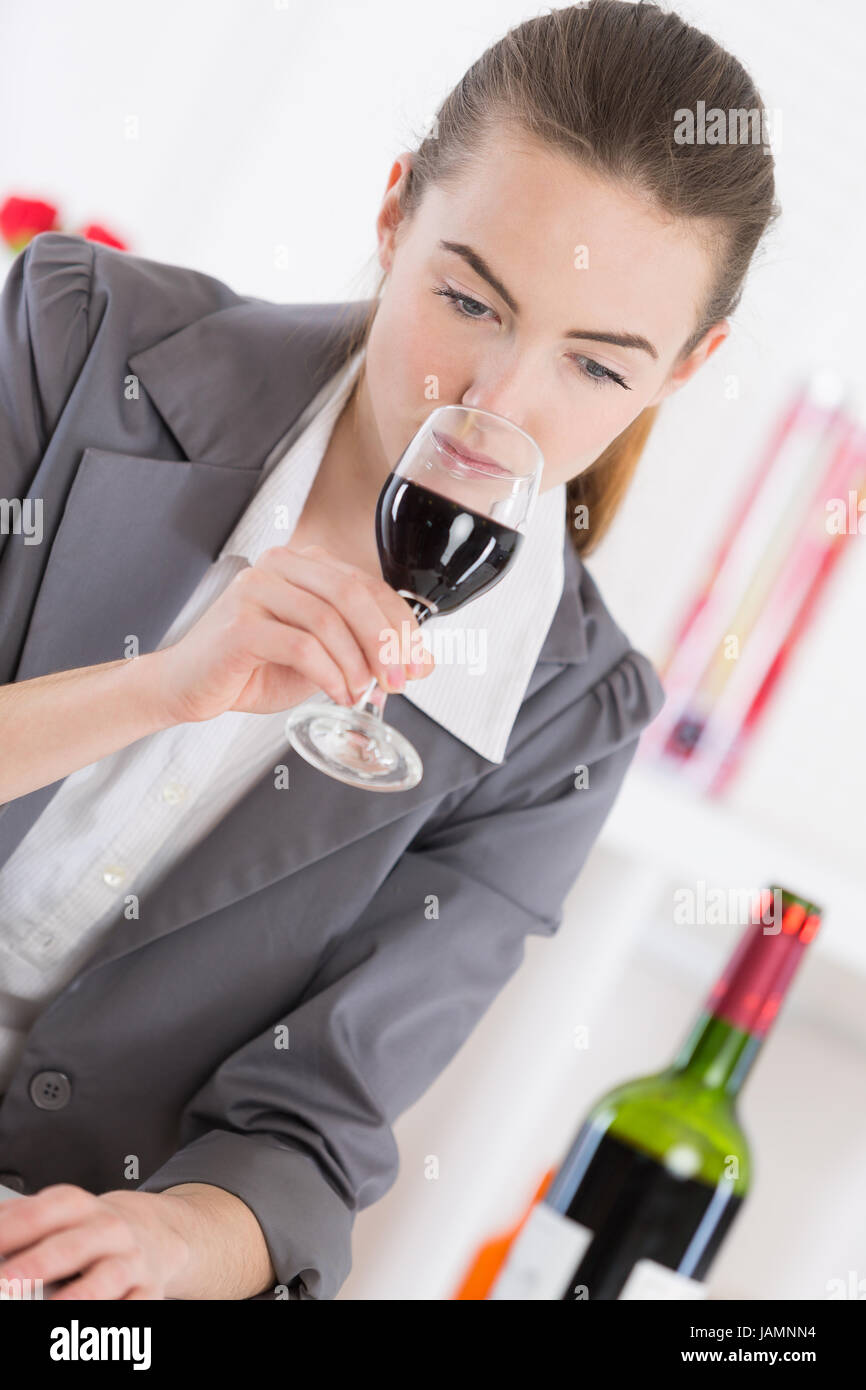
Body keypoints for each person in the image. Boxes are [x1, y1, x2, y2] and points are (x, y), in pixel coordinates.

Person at [0, 0, 778, 1299]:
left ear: (683, 370)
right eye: (469, 298)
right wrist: (153, 689)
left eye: (594, 366)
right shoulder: (77, 339)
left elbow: (310, 1128)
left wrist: (167, 1239)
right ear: (393, 211)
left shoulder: (563, 721)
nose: (495, 403)